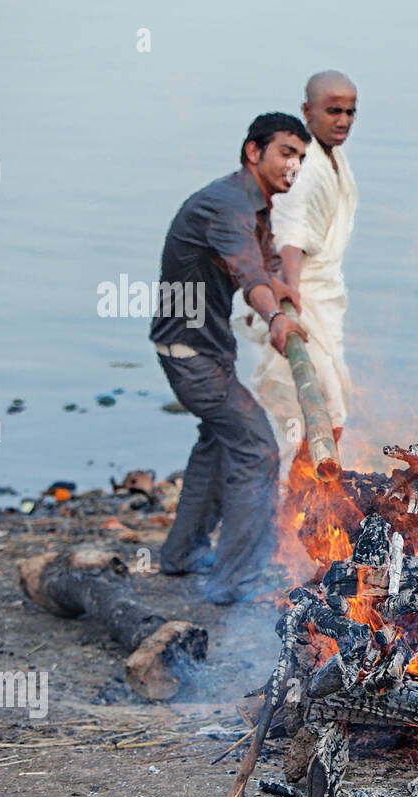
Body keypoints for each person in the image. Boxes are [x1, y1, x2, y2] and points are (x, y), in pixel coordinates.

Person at [149, 112, 310, 604]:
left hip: (203, 352)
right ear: (253, 152)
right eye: (286, 152)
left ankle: (181, 558)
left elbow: (262, 262)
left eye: (301, 157)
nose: (294, 166)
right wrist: (276, 318)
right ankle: (233, 581)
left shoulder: (252, 204)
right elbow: (249, 274)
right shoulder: (227, 206)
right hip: (191, 358)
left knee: (217, 445)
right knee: (257, 449)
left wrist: (283, 285)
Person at [243, 71, 358, 481]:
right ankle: (286, 513)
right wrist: (289, 294)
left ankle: (302, 506)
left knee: (333, 408)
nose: (343, 120)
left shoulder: (333, 158)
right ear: (307, 111)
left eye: (350, 112)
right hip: (302, 301)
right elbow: (289, 236)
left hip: (326, 299)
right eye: (332, 111)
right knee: (307, 410)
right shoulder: (305, 166)